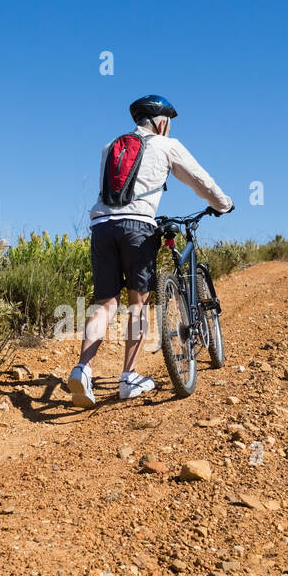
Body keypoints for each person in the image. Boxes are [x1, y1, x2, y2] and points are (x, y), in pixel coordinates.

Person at [67, 95, 234, 407]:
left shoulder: (110, 146)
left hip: (101, 226)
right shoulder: (166, 144)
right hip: (137, 228)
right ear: (161, 122)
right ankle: (129, 377)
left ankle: (83, 369)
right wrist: (223, 204)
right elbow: (199, 180)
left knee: (105, 303)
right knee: (138, 304)